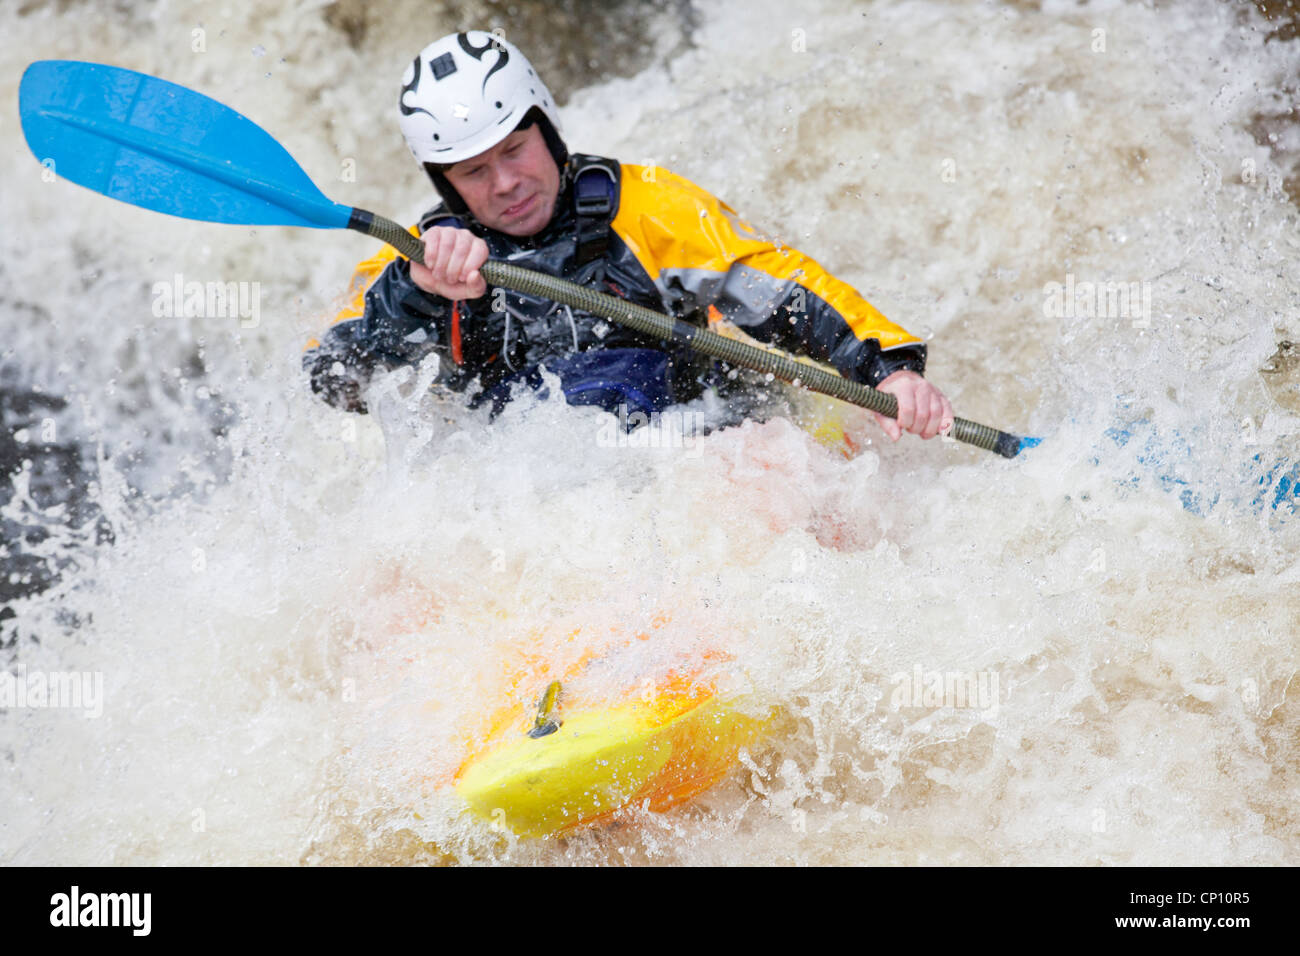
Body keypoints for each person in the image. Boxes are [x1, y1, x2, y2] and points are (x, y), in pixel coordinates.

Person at [303, 30, 953, 443]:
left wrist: (888, 372)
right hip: (531, 477)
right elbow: (334, 379)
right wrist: (414, 295)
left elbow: (776, 287)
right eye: (474, 171)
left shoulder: (645, 209)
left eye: (517, 151)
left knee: (756, 463)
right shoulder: (417, 263)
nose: (504, 183)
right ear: (445, 184)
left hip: (697, 426)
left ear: (548, 130)